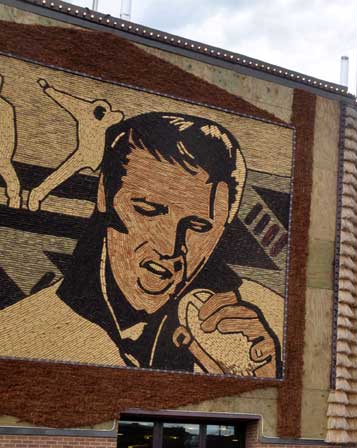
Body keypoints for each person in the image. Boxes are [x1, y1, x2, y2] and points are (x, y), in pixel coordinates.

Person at [0, 111, 282, 377]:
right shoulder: (19, 332)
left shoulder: (265, 323)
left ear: (222, 231)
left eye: (198, 226)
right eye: (148, 209)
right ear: (105, 194)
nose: (170, 248)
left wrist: (263, 381)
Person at [27, 78, 124, 212]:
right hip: (84, 153)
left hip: (105, 157)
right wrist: (48, 89)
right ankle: (37, 194)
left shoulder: (110, 117)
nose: (100, 117)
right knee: (61, 174)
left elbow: (119, 116)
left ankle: (110, 208)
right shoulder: (83, 110)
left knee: (115, 180)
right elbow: (64, 99)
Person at [0, 74, 20, 209]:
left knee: (11, 180)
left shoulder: (6, 108)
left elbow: (9, 135)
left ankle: (14, 201)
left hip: (1, 153)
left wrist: (5, 156)